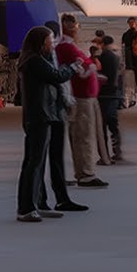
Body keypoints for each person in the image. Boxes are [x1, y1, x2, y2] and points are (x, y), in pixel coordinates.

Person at [16, 25, 80, 222]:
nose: (52, 45)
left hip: (40, 115)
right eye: (49, 41)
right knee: (34, 163)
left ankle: (39, 203)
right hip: (40, 116)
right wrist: (72, 67)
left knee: (37, 162)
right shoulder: (35, 61)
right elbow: (56, 76)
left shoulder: (33, 59)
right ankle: (26, 207)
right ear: (40, 43)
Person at [54, 14, 107, 188]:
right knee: (83, 135)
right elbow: (85, 67)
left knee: (83, 134)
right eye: (76, 26)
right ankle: (85, 173)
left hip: (84, 96)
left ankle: (84, 171)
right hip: (81, 98)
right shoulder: (67, 47)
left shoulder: (68, 47)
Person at [97, 34, 124, 162]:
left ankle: (104, 155)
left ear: (102, 44)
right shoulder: (116, 57)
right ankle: (117, 151)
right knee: (113, 124)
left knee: (102, 126)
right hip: (114, 94)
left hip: (104, 94)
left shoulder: (102, 57)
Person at [122, 17, 137, 108]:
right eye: (130, 22)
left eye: (133, 22)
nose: (132, 24)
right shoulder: (126, 34)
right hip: (131, 61)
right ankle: (135, 99)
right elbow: (124, 47)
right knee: (133, 82)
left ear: (136, 23)